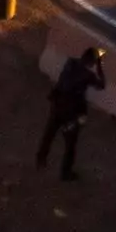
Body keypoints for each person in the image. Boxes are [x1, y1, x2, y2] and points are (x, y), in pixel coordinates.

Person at [34, 42, 108, 180]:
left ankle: (41, 159)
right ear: (92, 62)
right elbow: (102, 85)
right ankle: (65, 173)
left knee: (49, 133)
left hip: (57, 103)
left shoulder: (70, 63)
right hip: (71, 112)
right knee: (70, 144)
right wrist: (99, 66)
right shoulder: (88, 75)